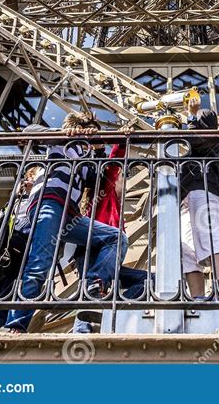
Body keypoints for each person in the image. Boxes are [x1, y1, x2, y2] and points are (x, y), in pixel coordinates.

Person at [4, 112, 128, 333]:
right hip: (49, 204)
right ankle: (16, 325)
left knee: (116, 237)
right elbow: (29, 132)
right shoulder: (61, 144)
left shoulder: (85, 161)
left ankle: (94, 284)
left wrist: (100, 149)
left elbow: (101, 179)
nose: (91, 135)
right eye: (90, 130)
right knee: (39, 263)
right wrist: (65, 133)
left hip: (69, 214)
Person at [72, 125, 149, 333]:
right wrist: (121, 140)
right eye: (120, 177)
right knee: (92, 285)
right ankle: (82, 330)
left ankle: (110, 315)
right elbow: (113, 164)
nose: (122, 180)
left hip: (103, 254)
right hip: (96, 248)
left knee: (147, 281)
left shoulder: (111, 202)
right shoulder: (104, 192)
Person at [180, 97, 219, 300]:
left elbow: (194, 139)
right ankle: (198, 299)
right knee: (188, 249)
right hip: (187, 197)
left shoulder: (207, 121)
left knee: (209, 238)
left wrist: (192, 115)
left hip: (204, 190)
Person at [0, 165, 40, 328]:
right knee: (4, 287)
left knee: (15, 287)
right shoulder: (19, 200)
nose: (31, 182)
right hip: (13, 248)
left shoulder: (35, 199)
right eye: (32, 178)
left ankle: (1, 324)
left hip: (25, 249)